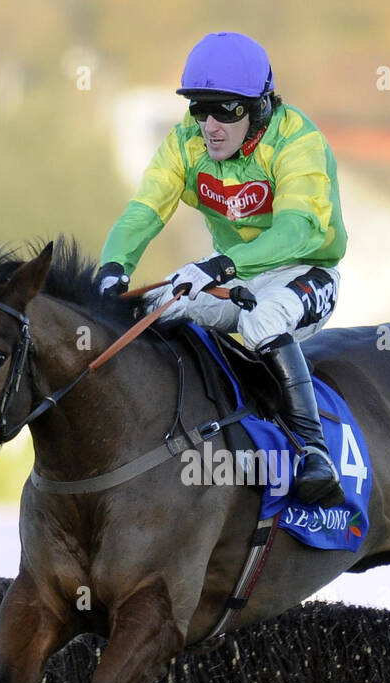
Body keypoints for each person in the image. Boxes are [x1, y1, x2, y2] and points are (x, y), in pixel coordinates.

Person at [96, 31, 348, 507]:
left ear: (261, 107)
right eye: (198, 108)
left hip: (305, 273)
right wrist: (113, 270)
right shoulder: (185, 143)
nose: (209, 126)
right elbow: (144, 212)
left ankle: (315, 453)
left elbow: (298, 231)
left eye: (226, 111)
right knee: (155, 309)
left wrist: (220, 264)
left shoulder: (299, 142)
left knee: (262, 321)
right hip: (233, 278)